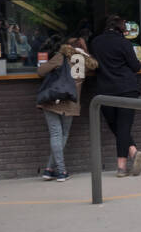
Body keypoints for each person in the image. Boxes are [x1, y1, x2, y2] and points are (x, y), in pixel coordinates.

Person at [36, 34, 98, 182]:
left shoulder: (61, 57)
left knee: (56, 135)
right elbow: (92, 71)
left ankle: (58, 170)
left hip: (53, 99)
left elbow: (41, 72)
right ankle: (51, 169)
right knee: (62, 136)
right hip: (71, 101)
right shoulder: (85, 62)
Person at [90, 16, 141, 178]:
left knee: (116, 126)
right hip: (127, 88)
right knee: (123, 127)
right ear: (121, 28)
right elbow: (135, 67)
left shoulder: (96, 43)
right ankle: (128, 158)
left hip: (105, 90)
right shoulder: (124, 43)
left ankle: (127, 160)